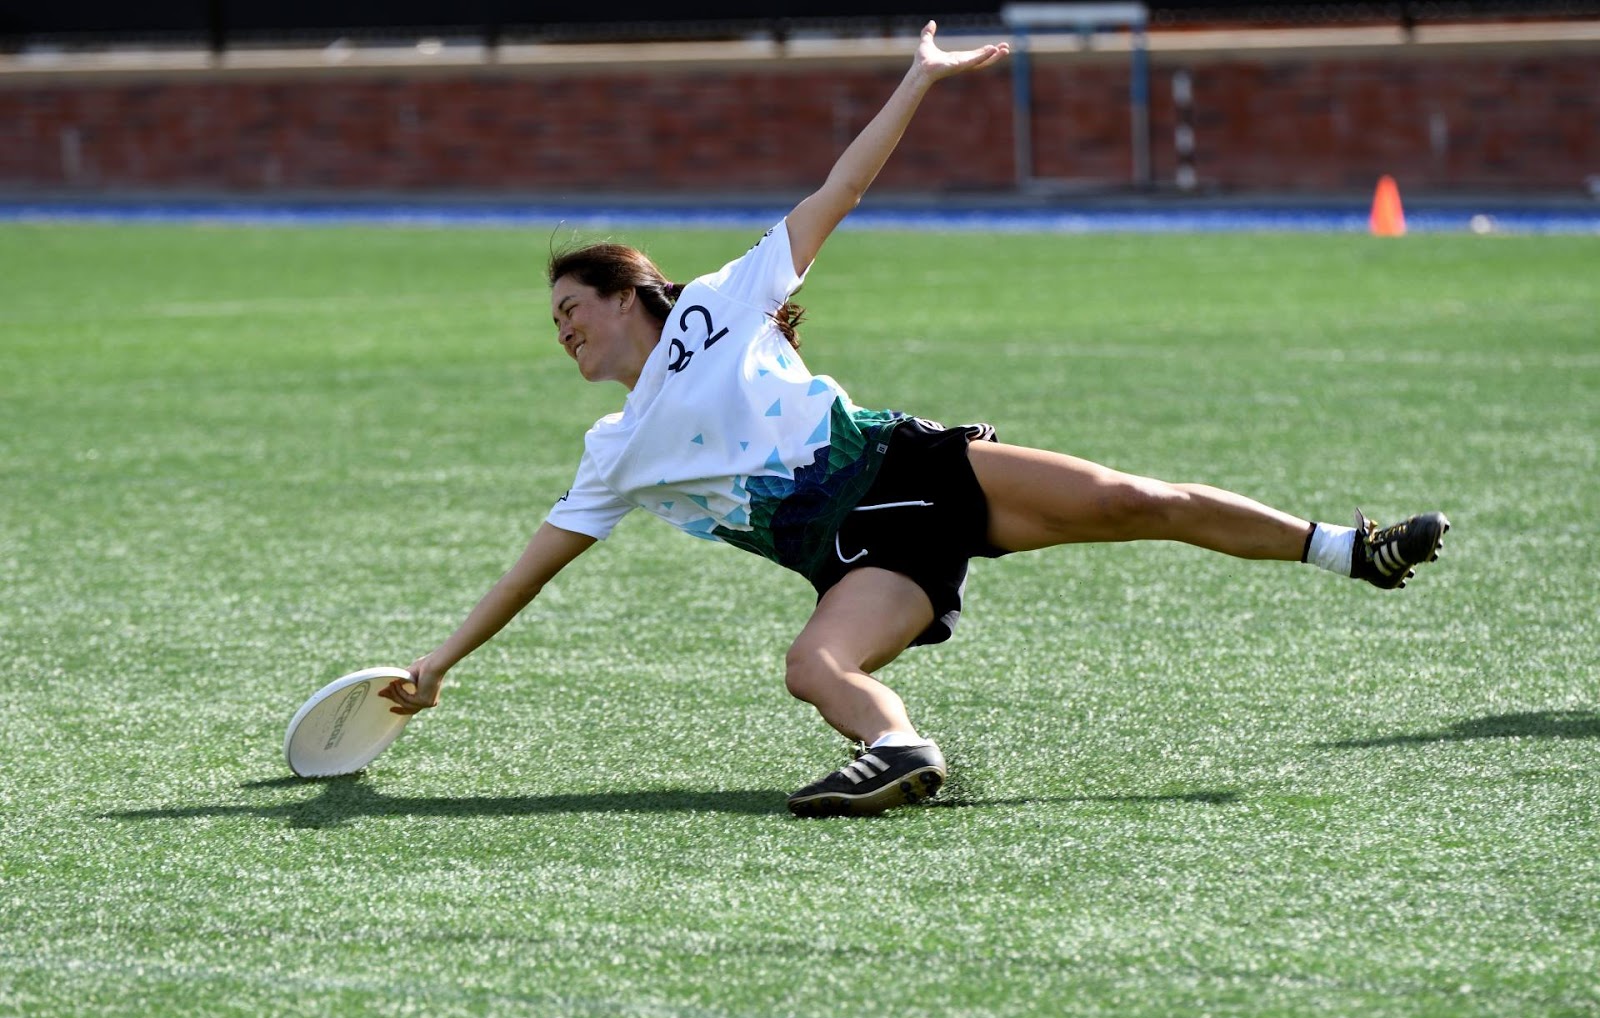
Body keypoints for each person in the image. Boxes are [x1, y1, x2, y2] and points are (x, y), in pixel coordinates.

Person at [379, 22, 1449, 817]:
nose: (562, 331)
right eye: (555, 321)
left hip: (916, 467)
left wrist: (917, 80)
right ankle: (898, 751)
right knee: (811, 667)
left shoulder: (716, 299)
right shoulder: (612, 454)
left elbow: (839, 189)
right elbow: (531, 567)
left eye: (571, 308)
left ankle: (1350, 550)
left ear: (629, 294)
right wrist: (439, 662)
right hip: (856, 553)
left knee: (1137, 499)